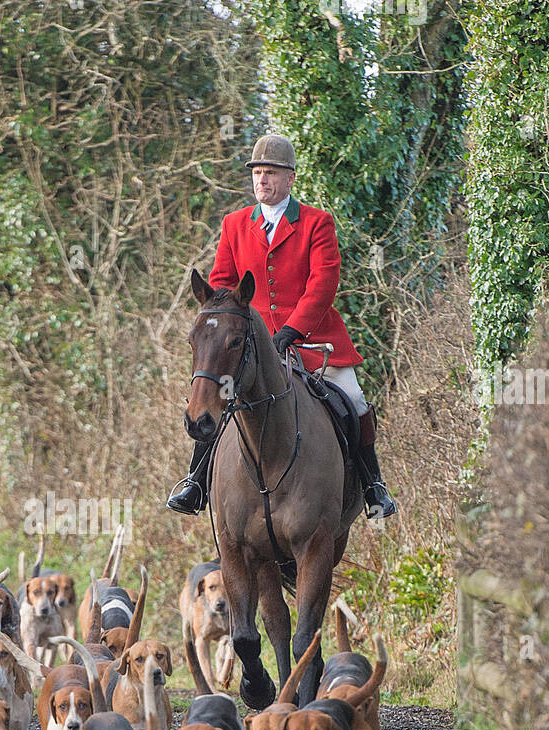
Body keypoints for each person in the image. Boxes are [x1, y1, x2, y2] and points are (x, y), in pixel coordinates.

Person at [167, 134, 397, 520]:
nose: (262, 181)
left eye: (270, 173)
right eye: (257, 173)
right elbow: (223, 281)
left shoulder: (316, 223)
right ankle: (195, 480)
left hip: (314, 341)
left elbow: (323, 283)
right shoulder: (235, 224)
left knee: (354, 399)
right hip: (249, 344)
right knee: (216, 395)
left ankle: (373, 486)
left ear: (290, 178)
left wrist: (293, 330)